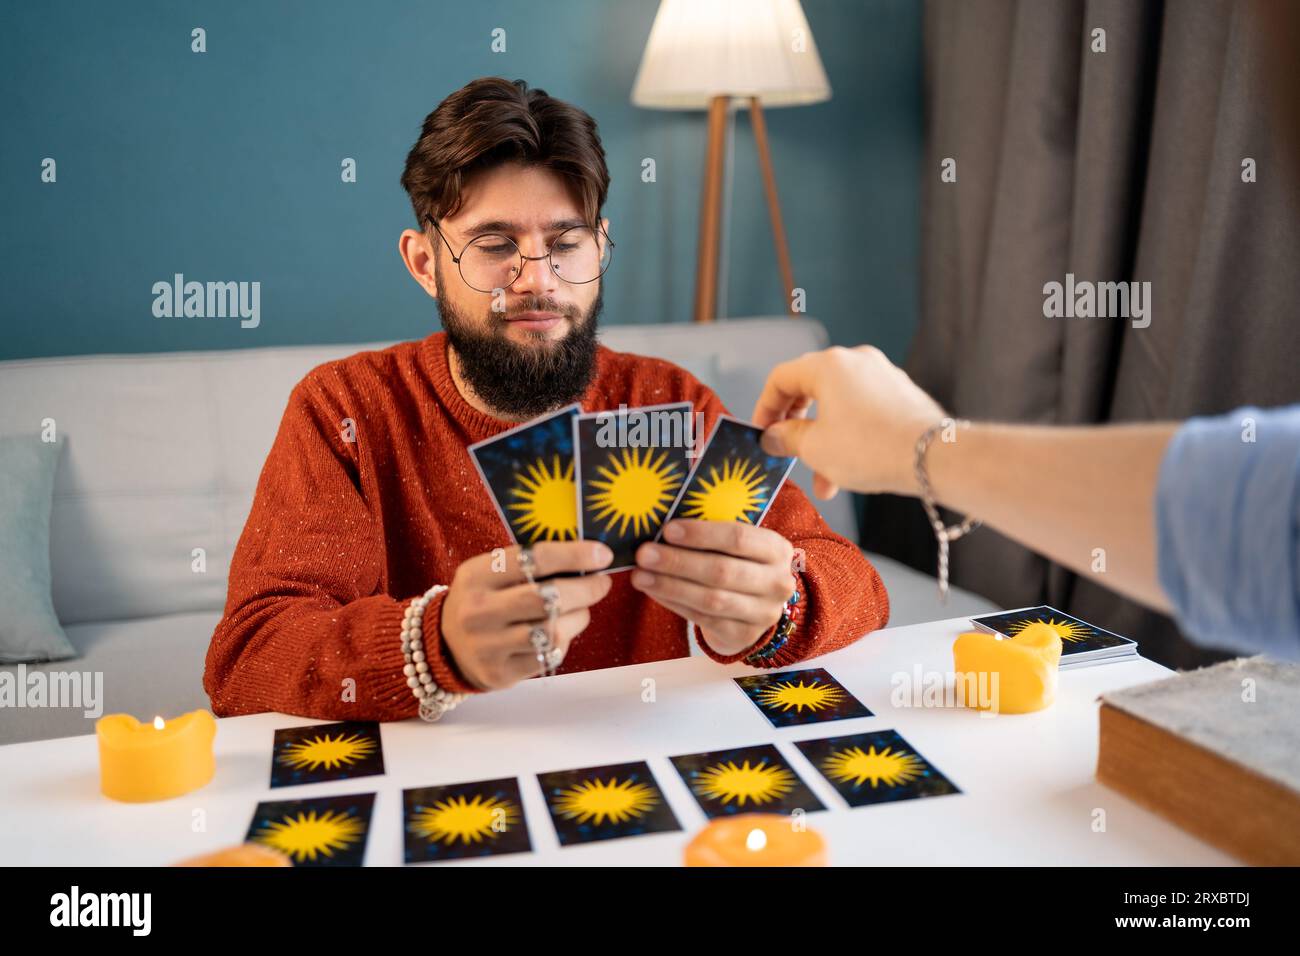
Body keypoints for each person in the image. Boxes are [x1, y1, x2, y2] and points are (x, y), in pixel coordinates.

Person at [203, 77, 889, 723]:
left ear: (600, 246)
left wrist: (783, 606)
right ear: (423, 263)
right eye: (495, 244)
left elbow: (857, 584)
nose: (538, 280)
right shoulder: (345, 408)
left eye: (566, 244)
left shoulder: (667, 397)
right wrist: (430, 645)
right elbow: (247, 660)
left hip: (635, 765)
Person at [752, 345, 1300, 662]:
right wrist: (917, 445)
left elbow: (1253, 521)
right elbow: (1251, 521)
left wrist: (770, 613)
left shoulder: (693, 407)